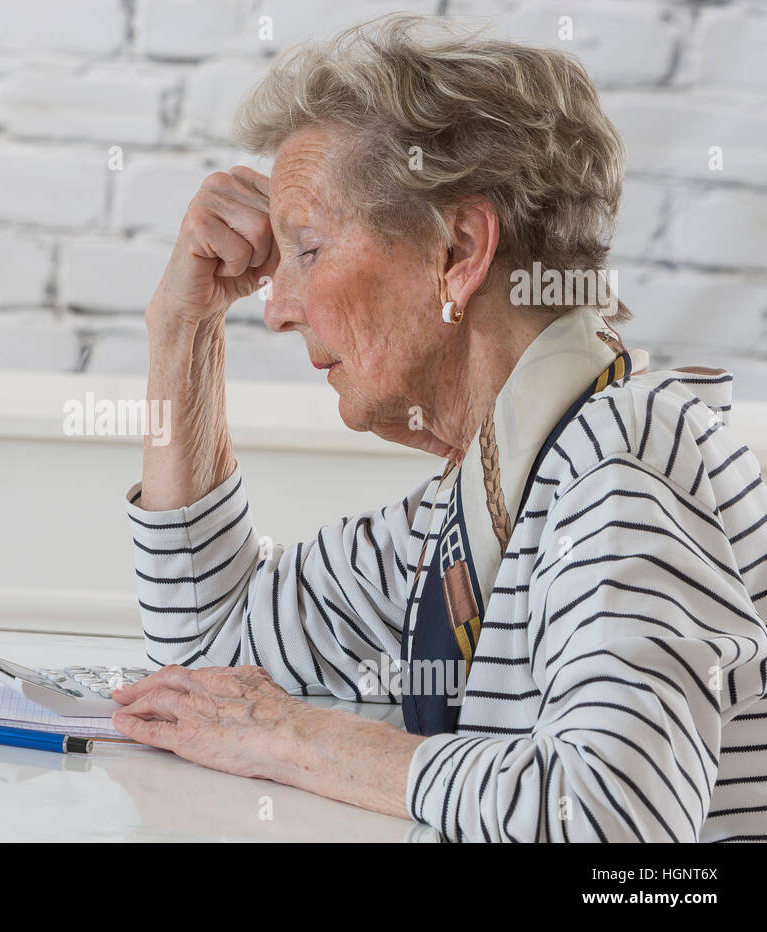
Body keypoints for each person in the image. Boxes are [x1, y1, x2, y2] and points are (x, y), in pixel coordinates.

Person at [110, 15, 767, 842]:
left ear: (460, 248)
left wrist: (291, 737)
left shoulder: (624, 462)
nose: (276, 308)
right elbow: (206, 662)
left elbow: (610, 813)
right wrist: (183, 331)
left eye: (306, 250)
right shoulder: (485, 500)